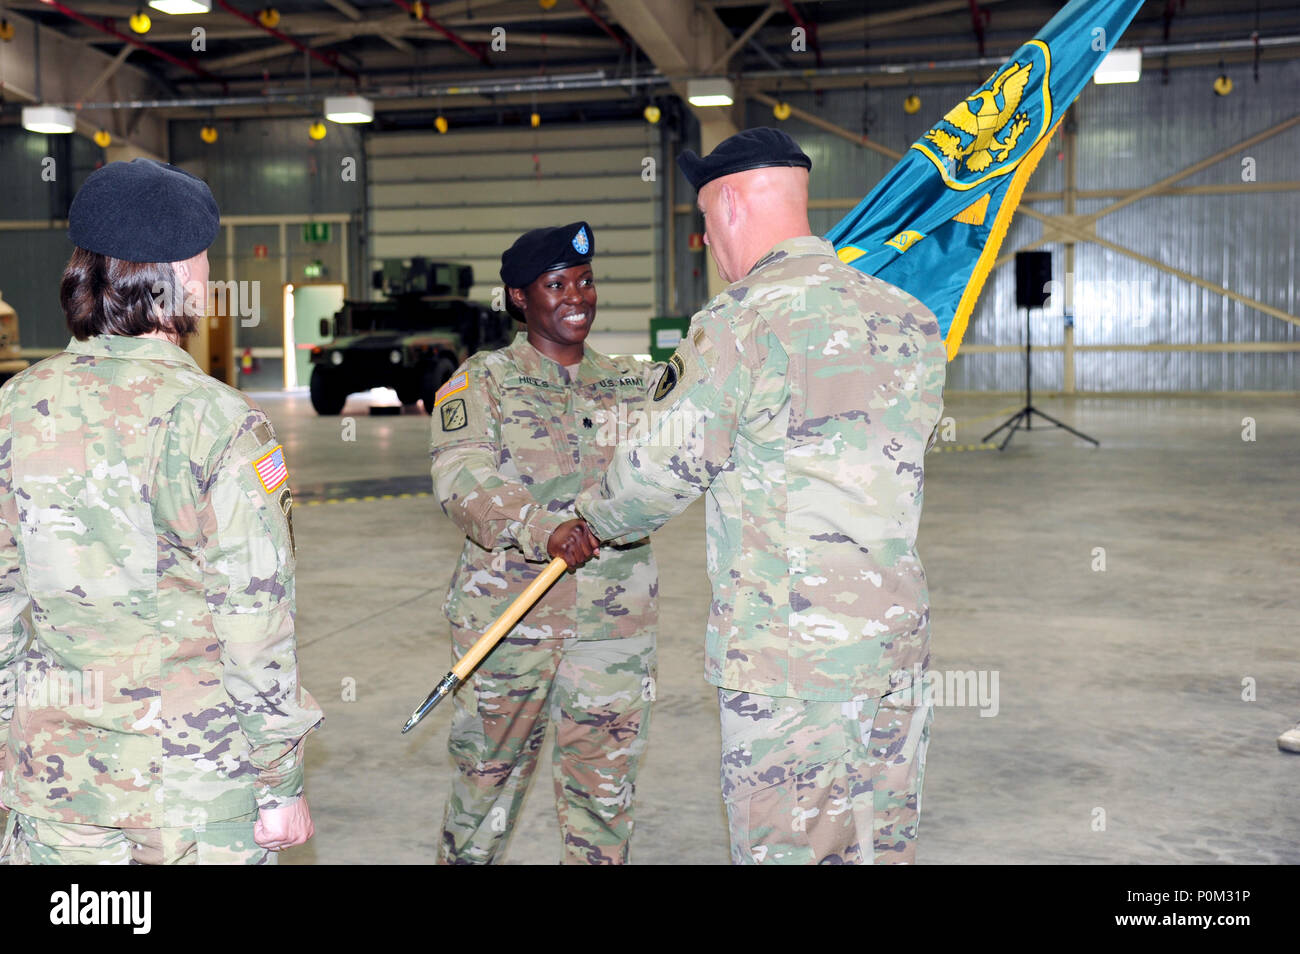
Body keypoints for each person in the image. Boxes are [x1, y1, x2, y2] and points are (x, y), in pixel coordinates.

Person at [570, 128, 948, 865]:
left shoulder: (738, 323)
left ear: (733, 206)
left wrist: (591, 518)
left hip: (790, 667)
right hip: (892, 652)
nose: (710, 245)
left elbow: (655, 475)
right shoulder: (910, 319)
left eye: (707, 225)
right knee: (876, 852)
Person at [0, 158, 322, 865]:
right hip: (193, 789)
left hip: (57, 783)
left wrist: (8, 747)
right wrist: (280, 780)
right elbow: (254, 620)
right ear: (177, 275)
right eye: (203, 261)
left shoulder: (16, 407)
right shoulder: (219, 422)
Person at [429, 221, 658, 865]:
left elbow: (683, 455)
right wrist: (541, 528)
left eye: (585, 281)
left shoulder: (631, 385)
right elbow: (461, 477)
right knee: (485, 794)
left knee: (603, 800)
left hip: (615, 630)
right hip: (510, 624)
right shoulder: (483, 382)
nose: (576, 297)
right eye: (556, 284)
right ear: (518, 298)